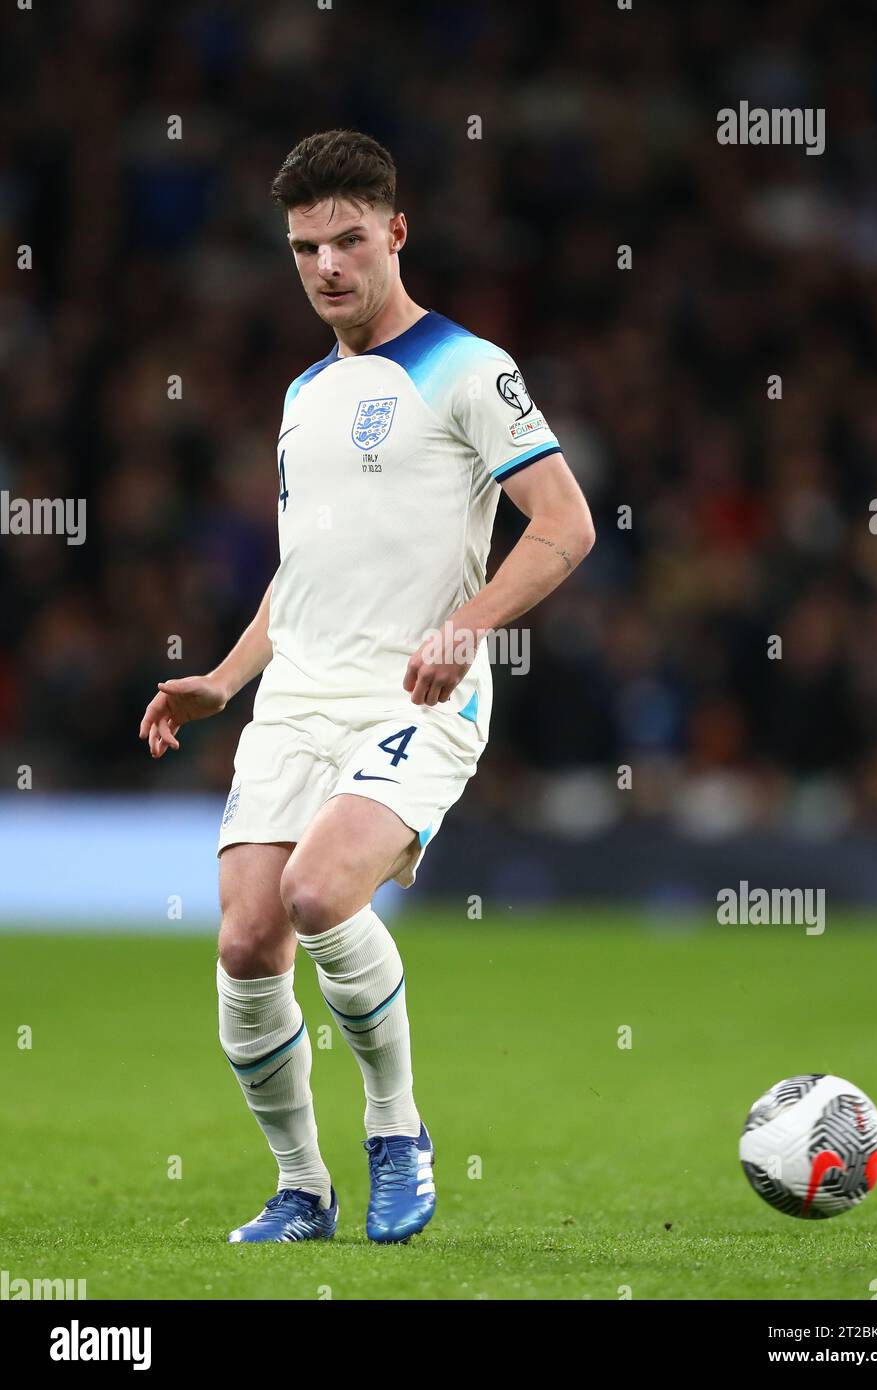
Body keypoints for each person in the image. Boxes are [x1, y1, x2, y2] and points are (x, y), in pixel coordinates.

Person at [138, 129, 595, 1245]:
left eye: (349, 240)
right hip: (295, 693)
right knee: (248, 941)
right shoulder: (303, 394)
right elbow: (303, 579)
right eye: (305, 249)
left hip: (416, 695)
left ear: (396, 234)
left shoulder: (466, 366)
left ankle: (396, 1130)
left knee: (314, 893)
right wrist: (223, 678)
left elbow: (565, 527)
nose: (328, 267)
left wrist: (465, 625)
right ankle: (301, 1187)